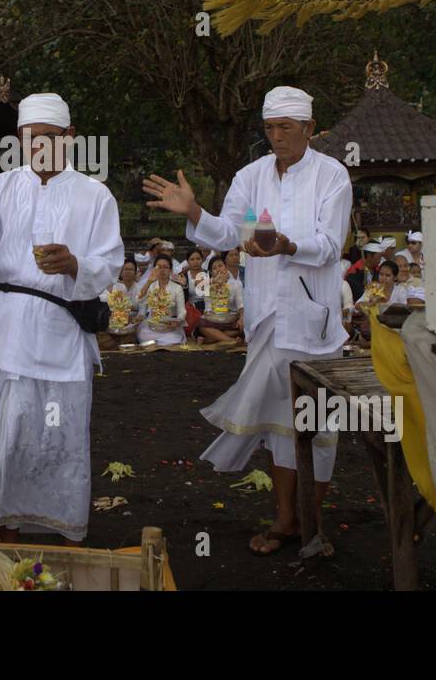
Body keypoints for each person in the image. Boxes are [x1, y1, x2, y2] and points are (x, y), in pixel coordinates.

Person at [144, 84, 351, 556]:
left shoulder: (332, 175)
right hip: (266, 322)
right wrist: (194, 210)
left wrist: (285, 245)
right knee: (279, 425)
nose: (277, 136)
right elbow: (226, 230)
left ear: (309, 130)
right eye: (270, 128)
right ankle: (285, 522)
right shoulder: (252, 176)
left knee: (317, 428)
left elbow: (331, 243)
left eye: (286, 127)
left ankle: (313, 528)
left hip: (312, 322)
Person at [0, 92, 123, 545]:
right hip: (9, 331)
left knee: (57, 436)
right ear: (20, 139)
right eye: (32, 139)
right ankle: (1, 526)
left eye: (51, 139)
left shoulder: (95, 195)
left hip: (62, 333)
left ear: (71, 138)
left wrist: (73, 264)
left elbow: (108, 264)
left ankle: (49, 528)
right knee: (4, 434)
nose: (41, 148)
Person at [137, 254, 187, 345]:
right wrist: (149, 281)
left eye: (165, 267)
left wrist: (178, 321)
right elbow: (140, 299)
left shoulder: (177, 288)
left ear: (170, 270)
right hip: (152, 325)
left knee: (175, 338)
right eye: (159, 267)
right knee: (142, 335)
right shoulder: (151, 285)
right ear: (154, 269)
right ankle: (161, 342)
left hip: (169, 326)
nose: (162, 270)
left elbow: (181, 310)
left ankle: (158, 343)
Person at [195, 257, 245, 344]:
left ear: (225, 267)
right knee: (202, 326)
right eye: (214, 268)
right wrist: (214, 280)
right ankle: (231, 340)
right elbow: (198, 286)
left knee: (241, 326)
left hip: (229, 320)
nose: (218, 269)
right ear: (211, 272)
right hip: (211, 320)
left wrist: (241, 318)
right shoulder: (207, 284)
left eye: (220, 266)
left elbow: (241, 304)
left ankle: (211, 338)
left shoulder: (236, 284)